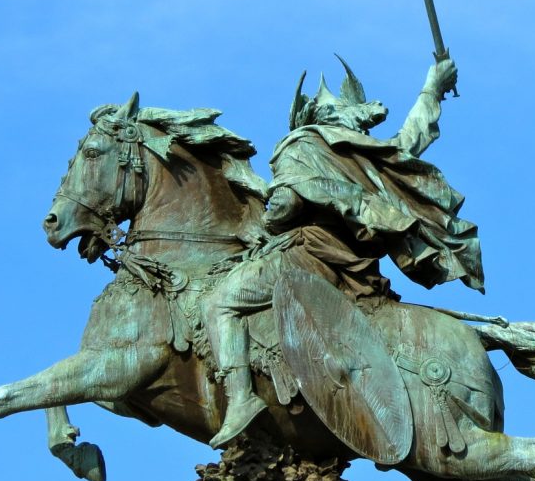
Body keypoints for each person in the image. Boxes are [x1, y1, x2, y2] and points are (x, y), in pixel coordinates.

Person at [204, 56, 484, 448]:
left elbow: (285, 205)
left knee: (222, 302)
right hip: (357, 268)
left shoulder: (301, 144)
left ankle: (241, 398)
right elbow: (410, 141)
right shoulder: (366, 153)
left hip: (308, 255)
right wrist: (431, 88)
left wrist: (262, 211)